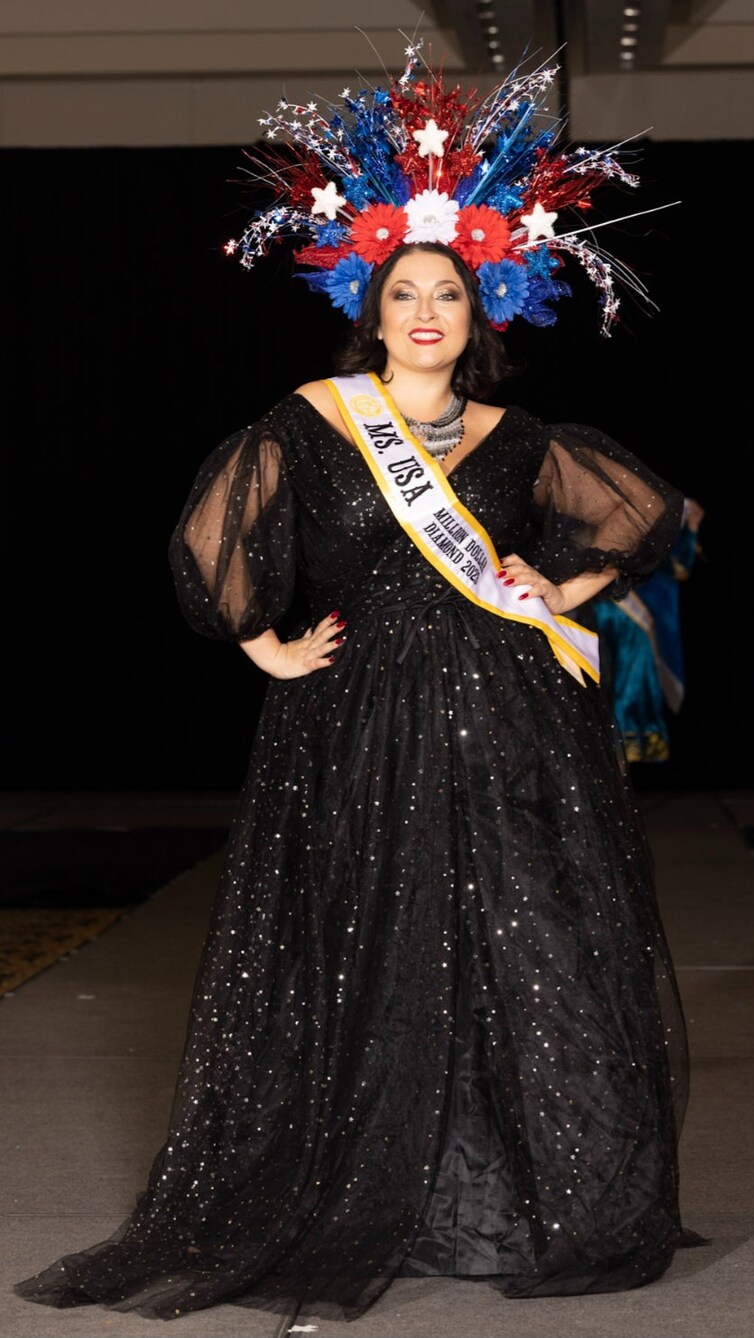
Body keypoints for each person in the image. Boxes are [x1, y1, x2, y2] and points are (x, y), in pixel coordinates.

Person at [15, 42, 701, 1327]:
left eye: (446, 293)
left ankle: (525, 1200)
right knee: (366, 949)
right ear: (372, 310)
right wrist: (258, 642)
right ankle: (360, 1188)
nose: (426, 313)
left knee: (524, 949)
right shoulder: (314, 423)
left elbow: (647, 516)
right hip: (356, 724)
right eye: (405, 295)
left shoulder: (524, 441)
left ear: (474, 314)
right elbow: (208, 542)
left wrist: (564, 592)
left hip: (510, 726)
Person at [592, 499, 705, 763]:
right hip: (619, 618)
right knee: (624, 684)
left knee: (611, 685)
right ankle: (615, 755)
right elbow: (680, 567)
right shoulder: (646, 532)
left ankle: (611, 759)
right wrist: (691, 527)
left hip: (604, 613)